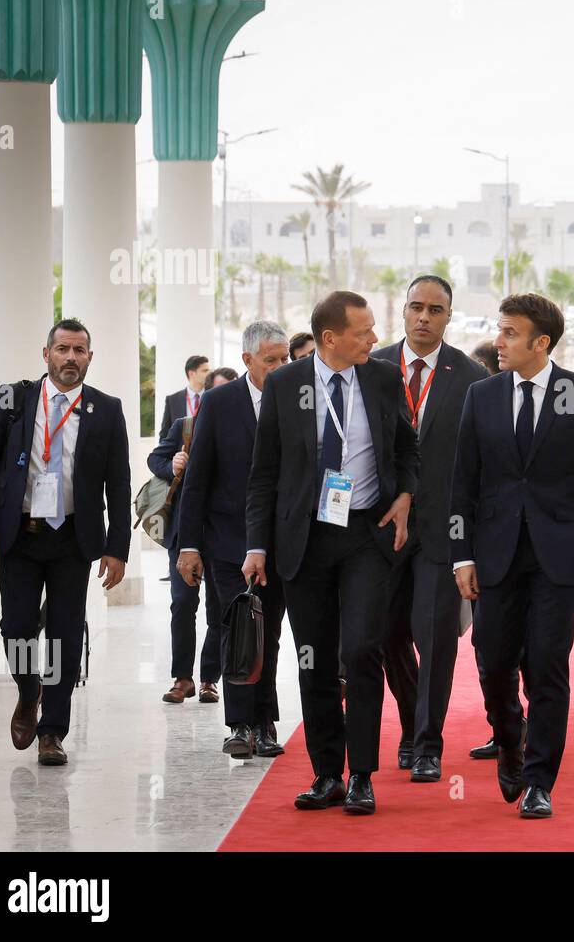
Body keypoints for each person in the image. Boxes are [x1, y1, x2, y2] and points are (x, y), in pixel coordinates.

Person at [244, 291, 419, 816]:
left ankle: (363, 774)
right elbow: (264, 474)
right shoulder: (284, 385)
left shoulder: (384, 378)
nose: (374, 337)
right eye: (363, 331)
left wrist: (407, 496)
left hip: (366, 535)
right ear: (329, 339)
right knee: (313, 659)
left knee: (362, 651)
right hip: (305, 541)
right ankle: (327, 774)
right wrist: (257, 544)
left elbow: (408, 448)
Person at [451, 293, 574, 818]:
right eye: (498, 332)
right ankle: (509, 742)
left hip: (559, 554)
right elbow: (464, 483)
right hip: (495, 552)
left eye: (508, 333)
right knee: (492, 660)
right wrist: (461, 554)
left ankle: (540, 780)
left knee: (547, 664)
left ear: (540, 342)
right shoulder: (481, 396)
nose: (497, 342)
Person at [0, 318, 130, 766]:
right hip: (21, 536)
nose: (70, 358)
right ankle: (29, 689)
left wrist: (117, 548)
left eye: (79, 351)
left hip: (72, 539)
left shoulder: (107, 409)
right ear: (46, 354)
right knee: (15, 628)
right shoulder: (13, 400)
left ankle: (53, 731)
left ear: (90, 358)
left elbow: (118, 483)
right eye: (62, 349)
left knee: (63, 635)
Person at [370, 276, 488, 782]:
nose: (423, 317)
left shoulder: (472, 376)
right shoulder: (370, 367)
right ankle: (413, 718)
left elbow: (483, 460)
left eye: (434, 310)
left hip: (443, 528)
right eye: (415, 307)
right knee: (385, 634)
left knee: (436, 637)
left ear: (448, 316)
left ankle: (427, 742)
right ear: (403, 312)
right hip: (378, 526)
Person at [177, 324, 291, 760]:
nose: (280, 368)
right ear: (247, 361)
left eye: (285, 359)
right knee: (238, 628)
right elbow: (198, 478)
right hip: (227, 541)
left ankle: (265, 723)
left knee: (271, 633)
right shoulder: (218, 403)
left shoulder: (298, 398)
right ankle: (240, 724)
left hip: (281, 541)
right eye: (271, 360)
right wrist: (189, 544)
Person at [149, 366, 237, 706]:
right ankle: (182, 677)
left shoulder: (245, 429)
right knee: (183, 604)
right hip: (185, 531)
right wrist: (173, 463)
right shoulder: (185, 425)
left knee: (219, 610)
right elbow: (155, 458)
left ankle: (208, 679)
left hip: (222, 534)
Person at [159, 354, 210, 440]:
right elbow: (165, 434)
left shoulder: (212, 397)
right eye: (205, 371)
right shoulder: (172, 400)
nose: (209, 374)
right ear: (191, 374)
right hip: (181, 451)